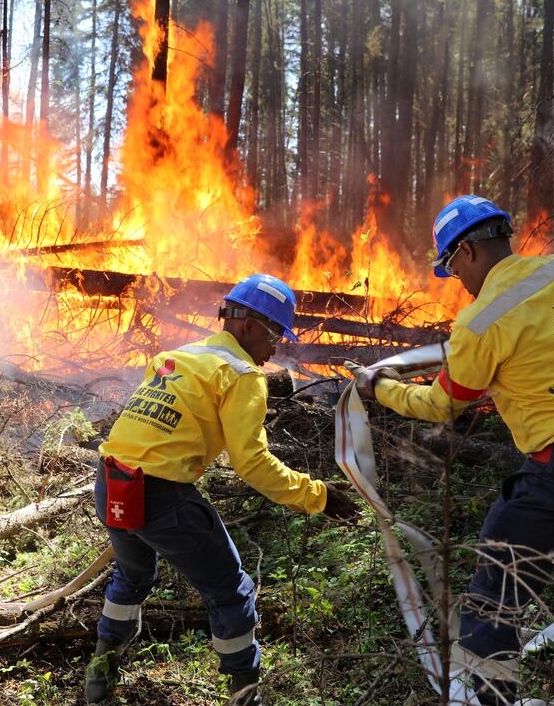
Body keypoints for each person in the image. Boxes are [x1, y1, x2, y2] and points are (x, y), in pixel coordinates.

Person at [358, 195, 554, 706]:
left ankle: (493, 699)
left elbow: (443, 404)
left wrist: (381, 388)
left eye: (452, 267)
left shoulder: (480, 322)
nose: (458, 281)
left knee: (494, 601)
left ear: (467, 251)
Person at [85, 273, 360, 705]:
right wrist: (318, 495)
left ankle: (98, 681)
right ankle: (245, 694)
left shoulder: (177, 356)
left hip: (110, 484)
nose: (275, 350)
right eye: (275, 336)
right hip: (161, 499)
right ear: (248, 325)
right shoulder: (242, 375)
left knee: (133, 576)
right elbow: (252, 463)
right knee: (231, 591)